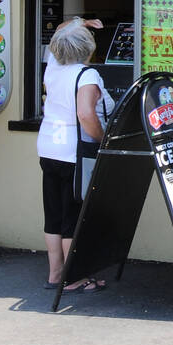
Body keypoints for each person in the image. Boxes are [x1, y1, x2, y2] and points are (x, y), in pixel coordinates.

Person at [37, 18, 109, 292]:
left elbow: (58, 31)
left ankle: (55, 274)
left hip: (48, 145)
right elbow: (86, 114)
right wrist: (103, 139)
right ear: (88, 48)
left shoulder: (54, 66)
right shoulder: (86, 75)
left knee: (54, 212)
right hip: (73, 150)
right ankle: (73, 276)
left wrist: (80, 21)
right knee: (73, 214)